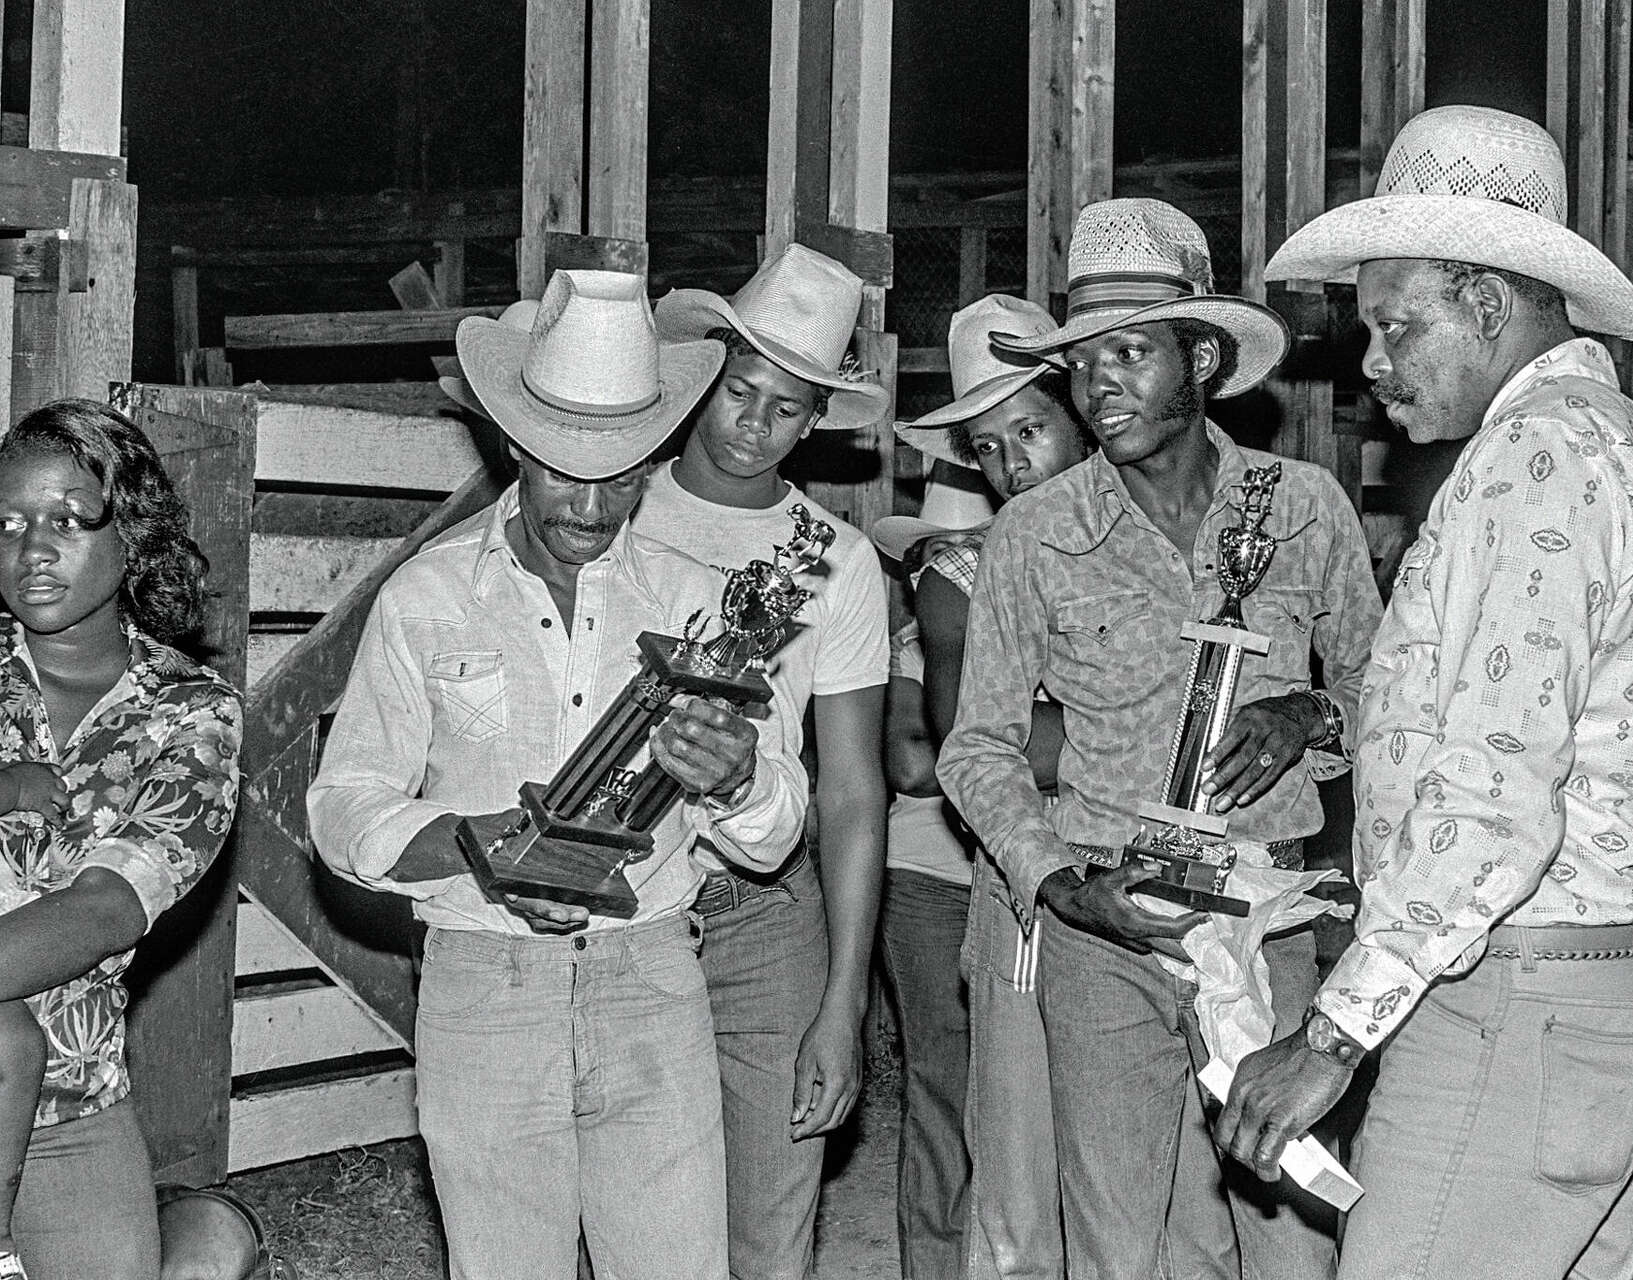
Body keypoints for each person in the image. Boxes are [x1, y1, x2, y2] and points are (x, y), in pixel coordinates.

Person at [1226, 105, 1633, 1280]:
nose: (1372, 364)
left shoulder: (1537, 462)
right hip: (1603, 979)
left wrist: (1335, 1032)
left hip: (1519, 993)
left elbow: (1493, 796)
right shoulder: (1618, 438)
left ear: (1488, 304)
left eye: (1396, 325)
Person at [308, 269, 808, 1280]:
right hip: (483, 984)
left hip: (653, 975)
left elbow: (778, 827)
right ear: (511, 448)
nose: (592, 503)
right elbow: (343, 804)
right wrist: (477, 843)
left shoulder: (704, 604)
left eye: (621, 473)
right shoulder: (429, 594)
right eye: (563, 470)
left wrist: (740, 777)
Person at [937, 199, 1380, 1280]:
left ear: (1204, 355)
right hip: (1111, 932)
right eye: (1083, 362)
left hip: (1269, 924)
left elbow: (1395, 702)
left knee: (1288, 1243)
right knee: (1120, 1246)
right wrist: (1061, 883)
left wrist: (1311, 715)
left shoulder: (1305, 509)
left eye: (1131, 352)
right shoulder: (1036, 534)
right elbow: (977, 749)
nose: (1099, 386)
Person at [650, 245, 891, 1280]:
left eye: (786, 408)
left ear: (815, 422)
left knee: (769, 1231)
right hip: (631, 904)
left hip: (767, 911)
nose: (755, 421)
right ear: (704, 373)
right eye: (740, 388)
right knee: (637, 1219)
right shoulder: (609, 508)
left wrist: (843, 997)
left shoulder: (837, 556)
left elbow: (851, 791)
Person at [874, 293, 1095, 1280]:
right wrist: (1144, 735)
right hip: (992, 880)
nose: (1011, 462)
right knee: (975, 1112)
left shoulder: (1150, 541)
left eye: (1030, 429)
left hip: (1100, 873)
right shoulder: (957, 568)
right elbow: (973, 742)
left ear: (1083, 410)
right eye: (988, 444)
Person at [0, 399, 241, 1280]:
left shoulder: (190, 713)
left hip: (75, 1107)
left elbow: (109, 908)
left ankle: (208, 1230)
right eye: (9, 523)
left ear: (130, 532)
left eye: (66, 519)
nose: (33, 549)